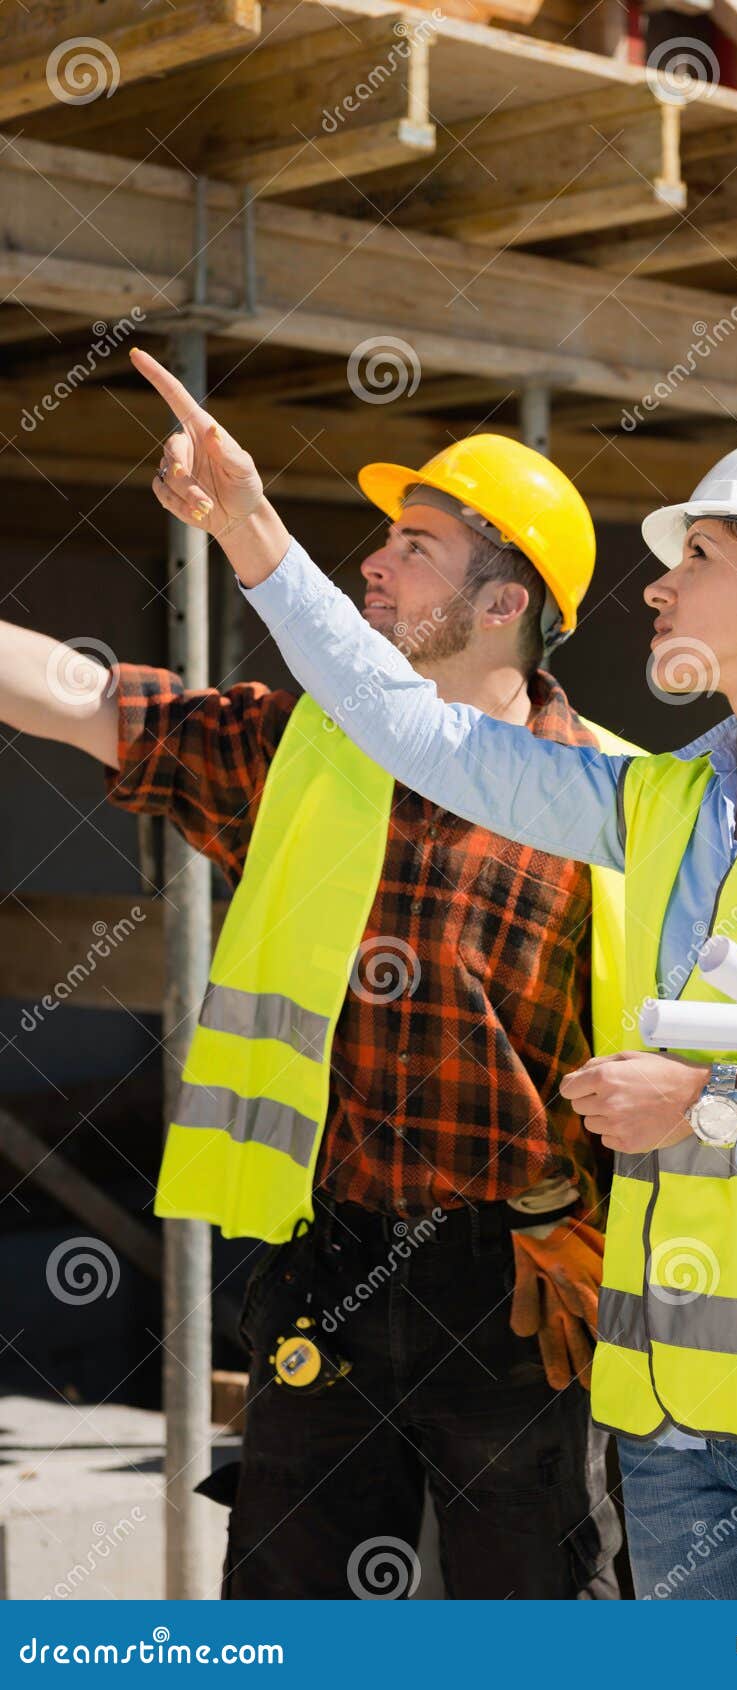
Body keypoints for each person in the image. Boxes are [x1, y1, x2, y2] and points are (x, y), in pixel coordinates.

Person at [131, 348, 737, 1600]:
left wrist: (715, 1106)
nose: (657, 585)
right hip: (676, 1425)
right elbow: (407, 724)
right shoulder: (661, 803)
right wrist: (249, 525)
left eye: (700, 556)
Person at [0, 386, 640, 1598]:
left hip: (523, 1288)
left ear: (504, 604)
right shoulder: (302, 752)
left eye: (416, 547)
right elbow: (87, 698)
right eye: (386, 540)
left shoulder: (616, 798)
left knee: (544, 1623)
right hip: (326, 1269)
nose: (374, 566)